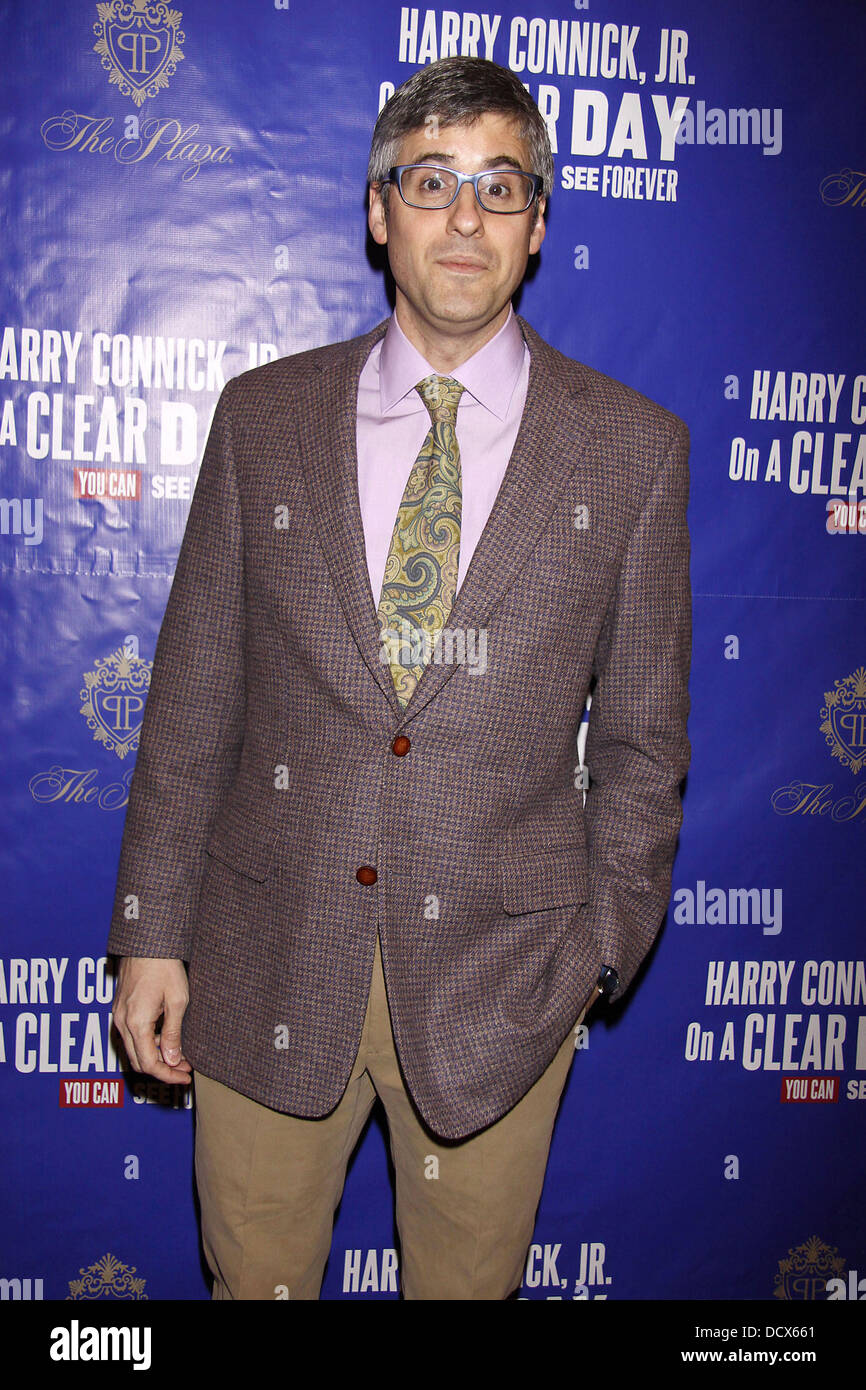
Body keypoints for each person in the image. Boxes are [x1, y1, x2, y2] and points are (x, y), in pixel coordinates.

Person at [108, 55, 691, 1301]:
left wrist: (597, 949)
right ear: (380, 211)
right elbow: (196, 689)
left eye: (498, 185)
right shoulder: (260, 418)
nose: (464, 217)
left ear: (538, 222)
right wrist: (153, 931)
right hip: (267, 951)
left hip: (504, 984)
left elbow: (642, 743)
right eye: (430, 182)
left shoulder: (633, 450)